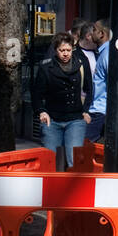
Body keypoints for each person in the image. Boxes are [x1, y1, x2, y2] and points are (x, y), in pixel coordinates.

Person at [33, 31, 93, 168]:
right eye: (62, 50)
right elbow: (37, 94)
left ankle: (75, 188)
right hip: (52, 119)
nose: (65, 53)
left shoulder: (81, 63)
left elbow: (89, 88)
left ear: (72, 49)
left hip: (75, 119)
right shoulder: (46, 67)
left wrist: (86, 110)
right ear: (56, 51)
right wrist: (41, 111)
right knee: (50, 161)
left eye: (68, 50)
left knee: (75, 160)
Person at [86, 19, 111, 143]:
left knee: (83, 148)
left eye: (94, 30)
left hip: (100, 110)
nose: (92, 32)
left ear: (101, 34)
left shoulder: (107, 54)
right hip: (99, 109)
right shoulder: (103, 52)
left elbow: (112, 82)